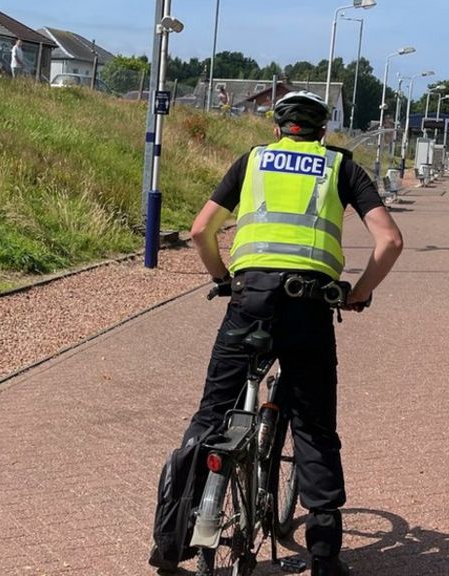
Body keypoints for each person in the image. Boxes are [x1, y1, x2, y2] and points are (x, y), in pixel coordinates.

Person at [150, 91, 403, 576]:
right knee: (313, 429)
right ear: (322, 131)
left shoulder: (253, 162)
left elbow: (201, 230)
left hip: (250, 300)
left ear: (277, 128)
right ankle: (325, 557)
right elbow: (390, 240)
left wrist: (223, 280)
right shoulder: (340, 167)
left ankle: (170, 539)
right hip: (310, 307)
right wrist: (359, 293)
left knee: (211, 416)